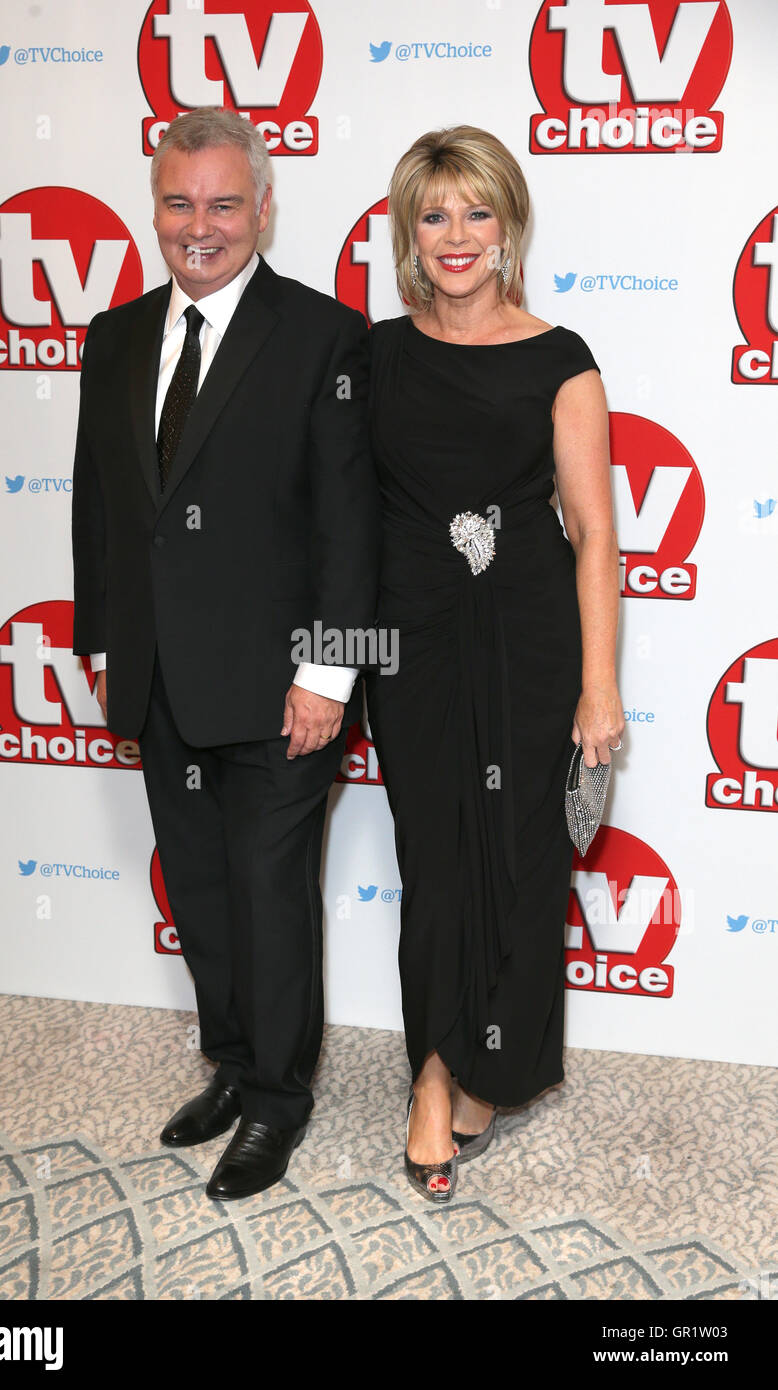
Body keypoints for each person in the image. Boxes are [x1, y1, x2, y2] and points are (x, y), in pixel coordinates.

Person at [71, 107, 378, 1201]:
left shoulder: (322, 336)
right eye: (177, 202)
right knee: (202, 888)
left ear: (262, 207)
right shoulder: (113, 337)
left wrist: (328, 675)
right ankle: (235, 1066)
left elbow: (354, 524)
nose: (198, 225)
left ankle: (280, 1102)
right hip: (159, 676)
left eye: (222, 203)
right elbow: (101, 510)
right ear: (153, 203)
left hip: (285, 684)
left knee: (268, 890)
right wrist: (102, 642)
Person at [366, 126, 623, 1202]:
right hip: (409, 640)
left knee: (520, 866)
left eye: (476, 212)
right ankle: (433, 1074)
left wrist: (598, 684)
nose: (457, 235)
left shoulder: (560, 359)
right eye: (435, 215)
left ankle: (494, 1067)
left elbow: (594, 532)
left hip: (527, 638)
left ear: (509, 224)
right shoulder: (371, 355)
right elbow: (338, 518)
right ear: (408, 235)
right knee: (433, 861)